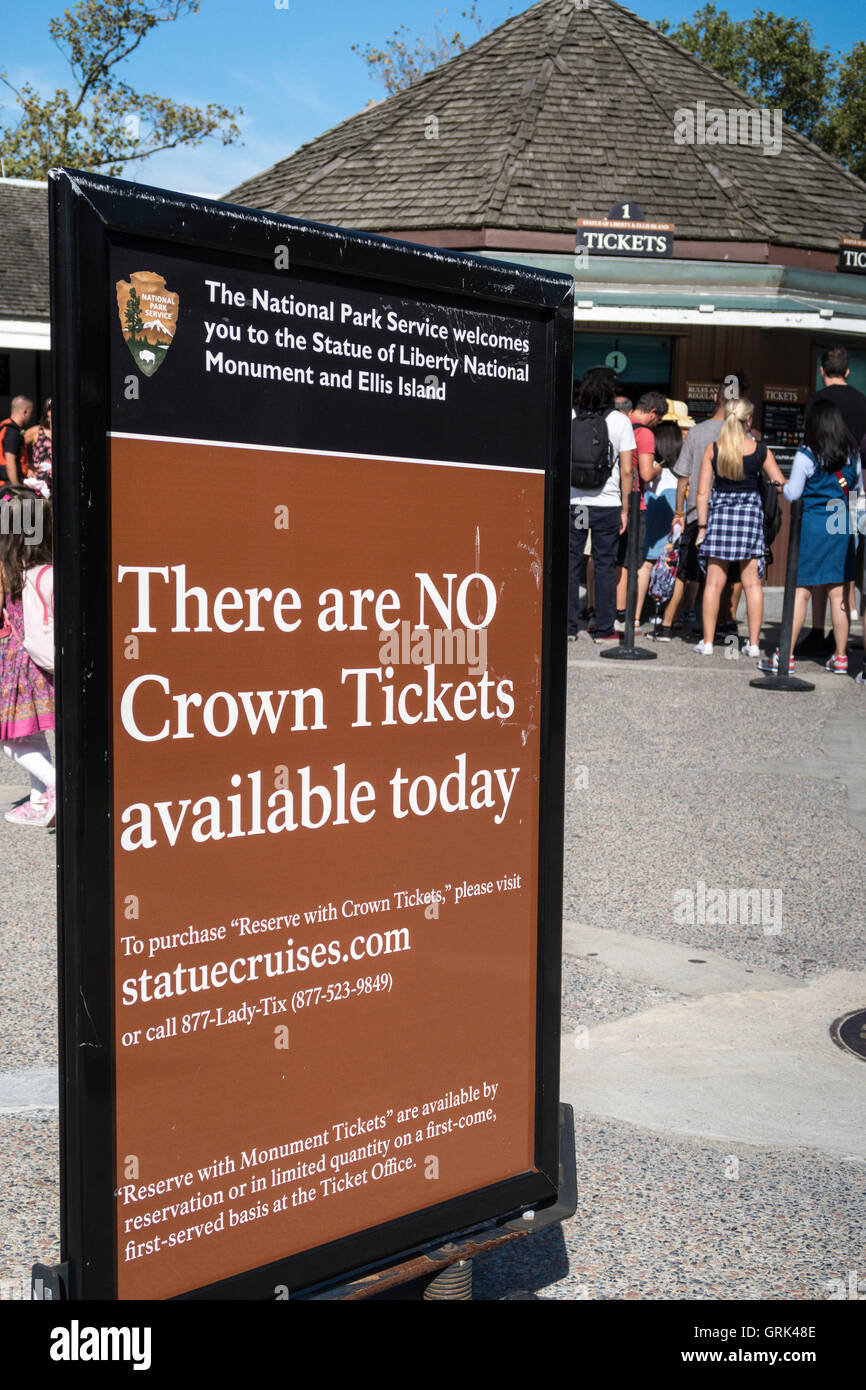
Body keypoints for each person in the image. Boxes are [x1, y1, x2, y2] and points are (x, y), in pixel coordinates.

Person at [759, 401, 861, 676]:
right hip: (840, 520)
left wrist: (779, 485)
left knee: (800, 590)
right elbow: (856, 488)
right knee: (838, 592)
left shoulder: (807, 453)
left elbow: (793, 493)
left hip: (813, 522)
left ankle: (785, 656)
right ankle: (840, 658)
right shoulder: (852, 453)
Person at [655, 373, 751, 641]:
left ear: (714, 398)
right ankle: (723, 623)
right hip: (732, 514)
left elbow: (683, 477)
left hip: (698, 514)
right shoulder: (743, 434)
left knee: (684, 571)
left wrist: (679, 512)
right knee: (730, 572)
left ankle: (666, 624)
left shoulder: (697, 432)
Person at [694, 397, 785, 656]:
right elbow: (778, 483)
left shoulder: (714, 449)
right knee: (752, 583)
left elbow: (702, 493)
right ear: (747, 420)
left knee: (713, 583)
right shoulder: (760, 450)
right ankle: (754, 645)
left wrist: (702, 527)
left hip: (720, 517)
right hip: (749, 518)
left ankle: (709, 642)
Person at [799, 348, 866, 656]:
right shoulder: (861, 402)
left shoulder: (817, 401)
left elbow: (808, 440)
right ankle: (841, 646)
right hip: (847, 491)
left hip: (817, 494)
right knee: (840, 569)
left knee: (812, 570)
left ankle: (816, 631)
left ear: (822, 371)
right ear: (848, 372)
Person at [0, 489, 56, 826]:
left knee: (11, 740)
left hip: (18, 667)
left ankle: (57, 784)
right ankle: (39, 799)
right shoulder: (46, 568)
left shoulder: (9, 572)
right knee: (29, 736)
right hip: (39, 662)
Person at [569, 366, 635, 643]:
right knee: (605, 564)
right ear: (611, 392)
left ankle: (569, 627)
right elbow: (628, 471)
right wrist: (625, 509)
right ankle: (604, 629)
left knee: (571, 564)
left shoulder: (570, 415)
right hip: (607, 504)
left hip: (576, 503)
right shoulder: (620, 421)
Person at [615, 390, 668, 626]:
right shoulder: (644, 433)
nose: (657, 425)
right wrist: (660, 467)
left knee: (613, 560)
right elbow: (646, 472)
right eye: (659, 420)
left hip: (612, 498)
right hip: (636, 501)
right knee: (631, 563)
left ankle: (607, 612)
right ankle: (625, 615)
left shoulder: (618, 423)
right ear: (653, 413)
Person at [637, 420, 682, 622]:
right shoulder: (679, 475)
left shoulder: (651, 471)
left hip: (649, 517)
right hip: (671, 530)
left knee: (645, 564)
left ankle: (635, 617)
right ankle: (667, 616)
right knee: (671, 564)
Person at [0, 396, 34, 486]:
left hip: (8, 484)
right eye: (31, 412)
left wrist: (28, 467)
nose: (32, 416)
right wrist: (16, 488)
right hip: (7, 488)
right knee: (37, 500)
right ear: (25, 412)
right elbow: (9, 459)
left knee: (36, 500)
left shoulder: (5, 426)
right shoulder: (12, 432)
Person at [23, 399, 52, 492]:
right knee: (38, 506)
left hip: (61, 483)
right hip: (39, 485)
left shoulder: (66, 433)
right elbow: (16, 447)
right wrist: (27, 466)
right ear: (48, 412)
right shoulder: (37, 431)